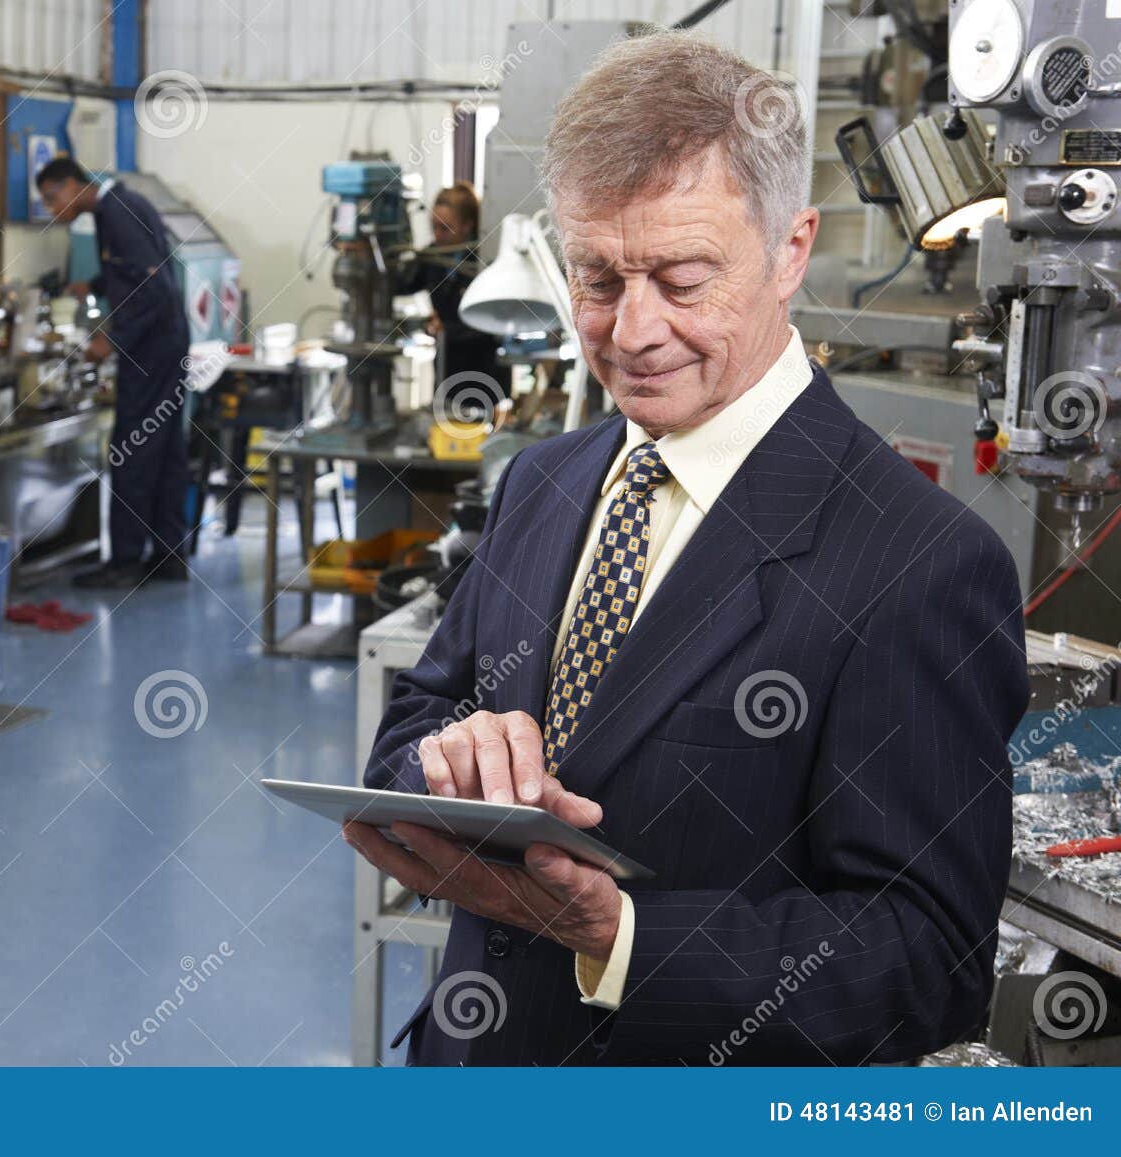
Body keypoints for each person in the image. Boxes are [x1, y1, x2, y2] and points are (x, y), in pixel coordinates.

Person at [349, 31, 1030, 1065]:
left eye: (681, 277)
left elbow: (927, 960)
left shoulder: (917, 561)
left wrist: (618, 935)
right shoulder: (545, 482)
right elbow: (418, 714)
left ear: (790, 250)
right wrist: (443, 759)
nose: (632, 333)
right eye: (597, 280)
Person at [37, 156, 190, 590]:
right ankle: (168, 556)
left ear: (72, 185)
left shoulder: (116, 214)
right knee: (164, 451)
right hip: (166, 342)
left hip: (151, 349)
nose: (53, 211)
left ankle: (123, 561)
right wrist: (95, 286)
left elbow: (153, 289)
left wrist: (111, 341)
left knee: (131, 450)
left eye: (53, 199)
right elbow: (137, 270)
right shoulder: (120, 206)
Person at [411, 182, 504, 418]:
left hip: (481, 370)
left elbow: (491, 324)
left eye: (445, 228)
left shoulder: (486, 261)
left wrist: (446, 328)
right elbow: (402, 282)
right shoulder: (433, 256)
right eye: (434, 227)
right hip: (445, 368)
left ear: (467, 225)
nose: (438, 235)